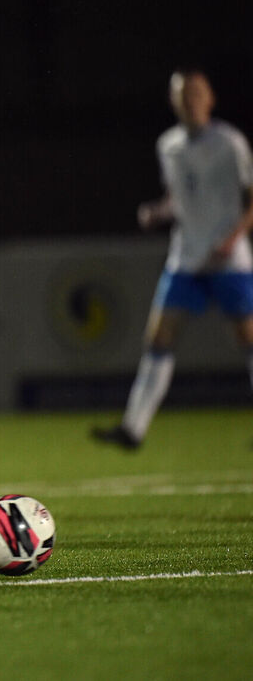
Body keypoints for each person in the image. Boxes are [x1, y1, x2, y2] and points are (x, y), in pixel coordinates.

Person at [93, 68, 253, 450]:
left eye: (197, 93)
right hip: (186, 259)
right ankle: (133, 428)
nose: (191, 101)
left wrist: (232, 238)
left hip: (229, 261)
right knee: (158, 338)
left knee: (248, 339)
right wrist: (157, 212)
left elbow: (251, 201)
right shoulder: (168, 145)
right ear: (173, 102)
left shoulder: (230, 142)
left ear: (210, 98)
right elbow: (179, 200)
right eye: (184, 95)